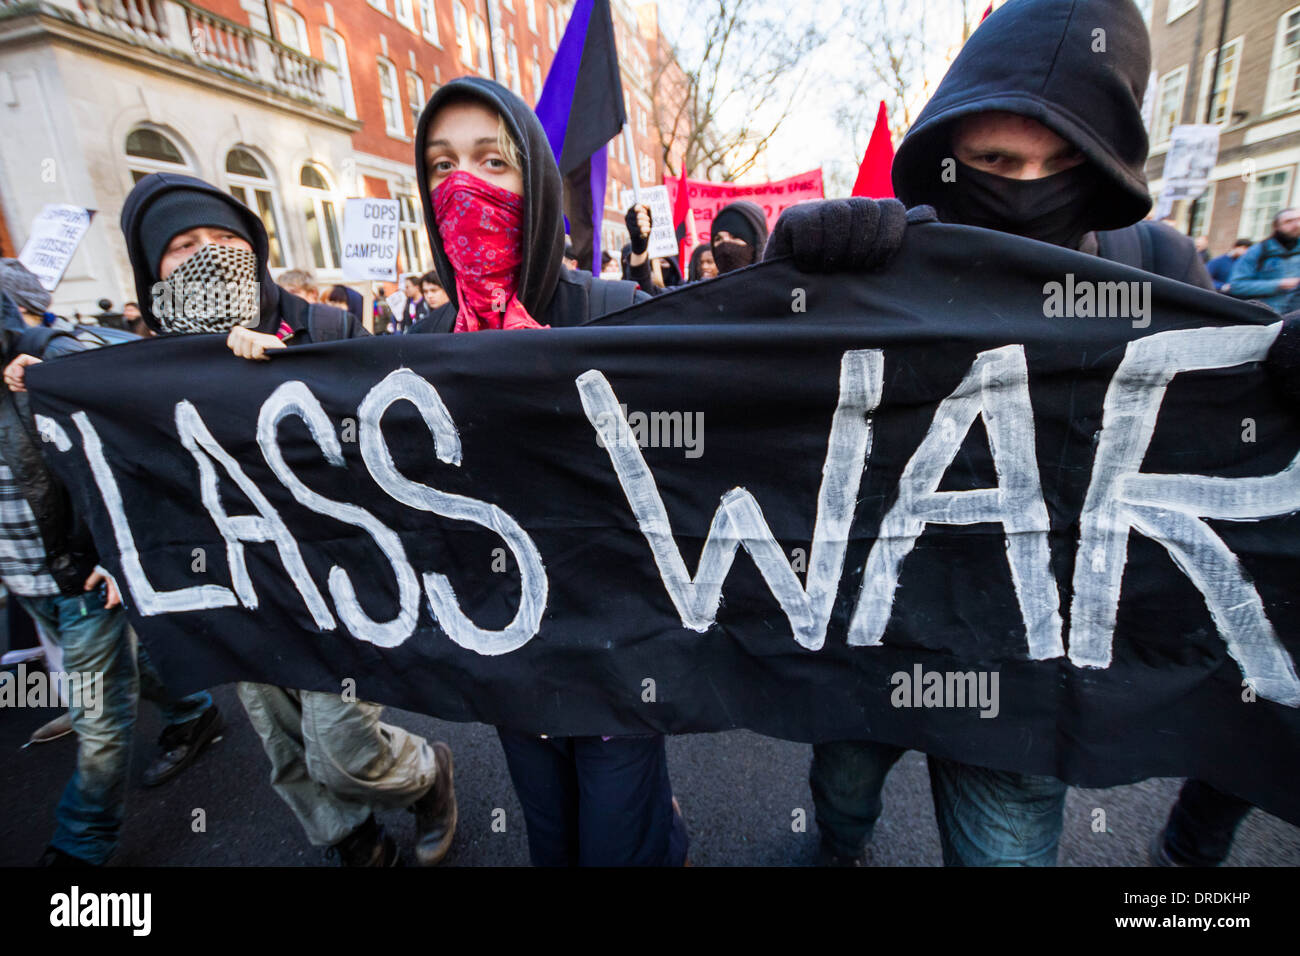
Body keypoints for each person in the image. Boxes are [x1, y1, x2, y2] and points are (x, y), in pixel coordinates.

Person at [798, 0, 1211, 868]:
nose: (1026, 186)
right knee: (840, 799)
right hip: (872, 632)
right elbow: (760, 390)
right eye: (993, 160)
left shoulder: (1161, 274)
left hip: (1024, 671)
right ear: (947, 157)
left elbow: (1217, 440)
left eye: (1063, 163)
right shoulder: (893, 255)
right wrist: (790, 277)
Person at [41, 171, 453, 867]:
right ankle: (353, 842)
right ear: (151, 267)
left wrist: (295, 374)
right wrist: (107, 550)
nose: (209, 254)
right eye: (184, 245)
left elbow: (393, 449)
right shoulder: (142, 370)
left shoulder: (323, 328)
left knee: (342, 749)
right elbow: (125, 467)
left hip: (336, 584)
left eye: (226, 238)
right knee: (283, 745)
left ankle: (426, 775)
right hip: (237, 587)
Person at [411, 74, 688, 866]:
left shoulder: (614, 311)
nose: (463, 184)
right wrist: (248, 370)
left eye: (492, 162)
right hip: (508, 652)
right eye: (440, 166)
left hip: (616, 653)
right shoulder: (419, 343)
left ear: (533, 178)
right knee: (555, 840)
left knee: (616, 845)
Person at [1, 281, 223, 867]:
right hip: (26, 582)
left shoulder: (50, 364)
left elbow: (134, 448)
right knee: (133, 664)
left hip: (81, 575)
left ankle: (81, 845)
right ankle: (193, 711)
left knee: (96, 719)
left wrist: (117, 554)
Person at [1226, 209, 1300, 312]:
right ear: (1276, 226)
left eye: (1298, 220)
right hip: (1268, 316)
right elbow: (1236, 285)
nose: (1296, 225)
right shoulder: (1258, 251)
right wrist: (1279, 284)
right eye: (1289, 221)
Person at [710, 200, 768, 274]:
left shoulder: (779, 283)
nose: (726, 248)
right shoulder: (709, 285)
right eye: (718, 239)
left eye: (735, 237)